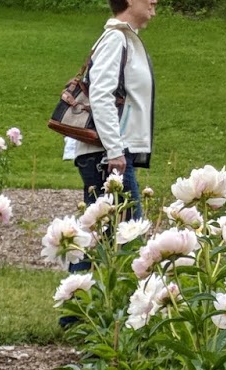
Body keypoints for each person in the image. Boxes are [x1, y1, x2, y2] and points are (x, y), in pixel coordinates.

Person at [64, 0, 156, 219]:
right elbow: (101, 94)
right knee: (124, 238)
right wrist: (114, 150)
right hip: (107, 155)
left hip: (111, 152)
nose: (154, 1)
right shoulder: (116, 39)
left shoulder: (124, 38)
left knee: (107, 238)